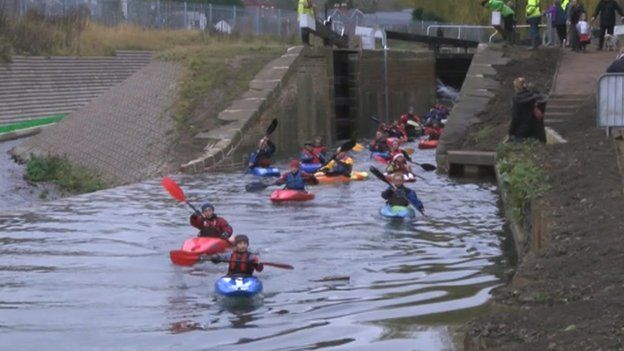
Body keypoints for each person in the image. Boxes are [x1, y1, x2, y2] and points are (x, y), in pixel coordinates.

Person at [509, 77, 546, 143]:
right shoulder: (534, 96)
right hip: (534, 130)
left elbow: (515, 117)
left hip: (520, 131)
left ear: (516, 87)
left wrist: (511, 131)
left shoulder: (516, 99)